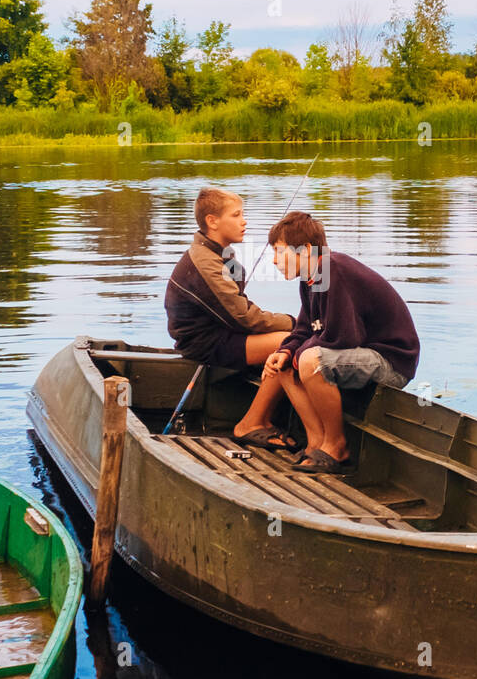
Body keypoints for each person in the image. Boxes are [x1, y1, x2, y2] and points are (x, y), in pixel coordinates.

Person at [262, 211, 419, 473]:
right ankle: (316, 443)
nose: (275, 261)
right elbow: (304, 328)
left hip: (390, 360)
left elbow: (344, 337)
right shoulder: (311, 279)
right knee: (285, 365)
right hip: (357, 355)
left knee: (311, 360)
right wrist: (286, 351)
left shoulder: (333, 270)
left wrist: (300, 354)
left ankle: (337, 445)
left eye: (280, 252)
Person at [164, 187, 297, 448]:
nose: (244, 221)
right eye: (236, 215)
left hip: (223, 331)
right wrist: (295, 323)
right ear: (212, 221)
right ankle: (251, 423)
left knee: (292, 338)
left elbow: (238, 303)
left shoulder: (221, 252)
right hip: (204, 342)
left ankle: (272, 414)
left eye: (242, 214)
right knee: (289, 342)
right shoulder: (205, 262)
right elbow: (244, 317)